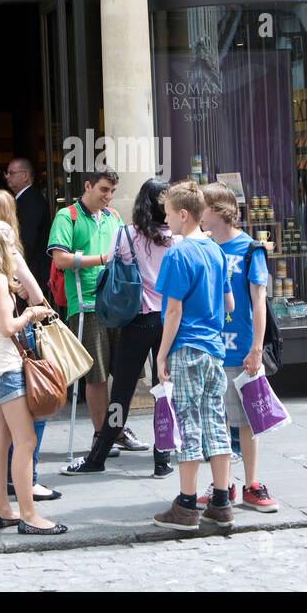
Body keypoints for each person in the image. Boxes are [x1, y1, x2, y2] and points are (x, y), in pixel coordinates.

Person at [61, 178, 176, 479]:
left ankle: (98, 456)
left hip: (137, 321)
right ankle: (162, 458)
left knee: (121, 393)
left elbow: (111, 266)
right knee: (164, 391)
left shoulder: (124, 234)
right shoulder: (176, 238)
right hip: (170, 321)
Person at [0, 218, 63, 534]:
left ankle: (4, 511)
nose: (12, 249)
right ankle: (29, 516)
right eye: (8, 243)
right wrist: (31, 313)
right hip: (4, 369)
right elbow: (8, 328)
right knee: (26, 440)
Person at [150, 181, 235, 532]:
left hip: (186, 347)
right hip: (214, 349)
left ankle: (186, 505)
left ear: (184, 215)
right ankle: (221, 501)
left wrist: (161, 355)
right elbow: (229, 303)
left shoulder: (177, 254)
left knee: (187, 424)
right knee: (215, 421)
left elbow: (172, 312)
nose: (166, 220)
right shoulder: (216, 251)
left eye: (168, 214)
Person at [47, 168, 148, 453]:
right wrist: (102, 258)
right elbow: (61, 259)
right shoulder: (68, 216)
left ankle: (115, 430)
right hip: (87, 304)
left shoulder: (113, 216)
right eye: (104, 189)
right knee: (97, 375)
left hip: (117, 302)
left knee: (125, 374)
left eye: (112, 191)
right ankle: (100, 434)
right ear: (88, 186)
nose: (108, 196)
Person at [197, 182, 277, 511]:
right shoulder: (204, 248)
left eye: (201, 208)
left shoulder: (249, 249)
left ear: (216, 211)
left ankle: (251, 484)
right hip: (212, 348)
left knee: (245, 422)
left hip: (241, 348)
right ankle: (224, 485)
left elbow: (259, 302)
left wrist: (256, 348)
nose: (197, 215)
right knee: (218, 421)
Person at [5, 157, 51, 293]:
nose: (7, 176)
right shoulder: (26, 198)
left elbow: (26, 241)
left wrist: (20, 275)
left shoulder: (30, 200)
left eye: (11, 173)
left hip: (33, 272)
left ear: (24, 175)